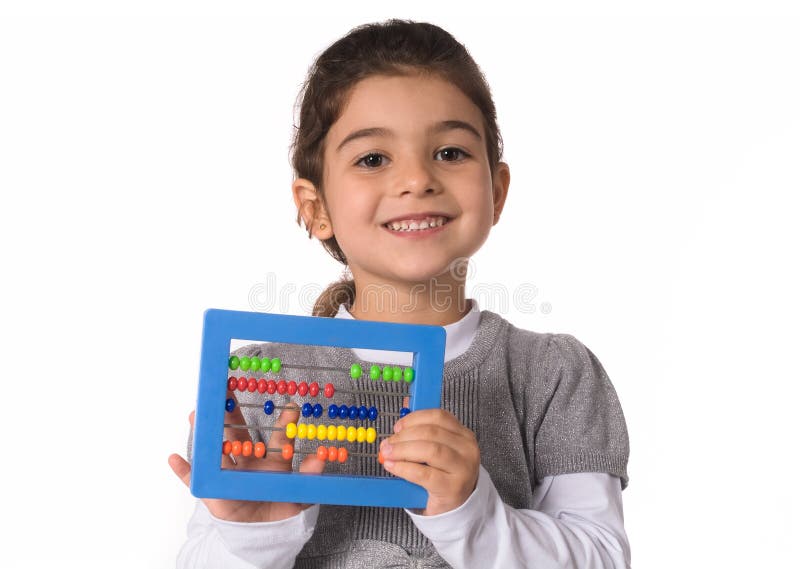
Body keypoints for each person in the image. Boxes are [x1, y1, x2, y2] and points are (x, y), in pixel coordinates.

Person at [168, 18, 631, 568]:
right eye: (372, 159)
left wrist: (473, 512)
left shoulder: (552, 373)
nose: (416, 179)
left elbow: (601, 558)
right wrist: (256, 539)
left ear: (497, 190)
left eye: (451, 153)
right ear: (315, 209)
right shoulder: (256, 384)